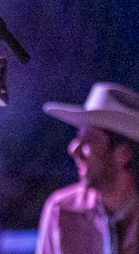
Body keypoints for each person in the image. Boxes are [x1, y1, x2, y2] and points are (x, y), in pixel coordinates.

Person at [37, 82, 139, 254]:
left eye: (89, 140)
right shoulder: (61, 209)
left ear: (123, 154)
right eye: (78, 137)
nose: (73, 149)